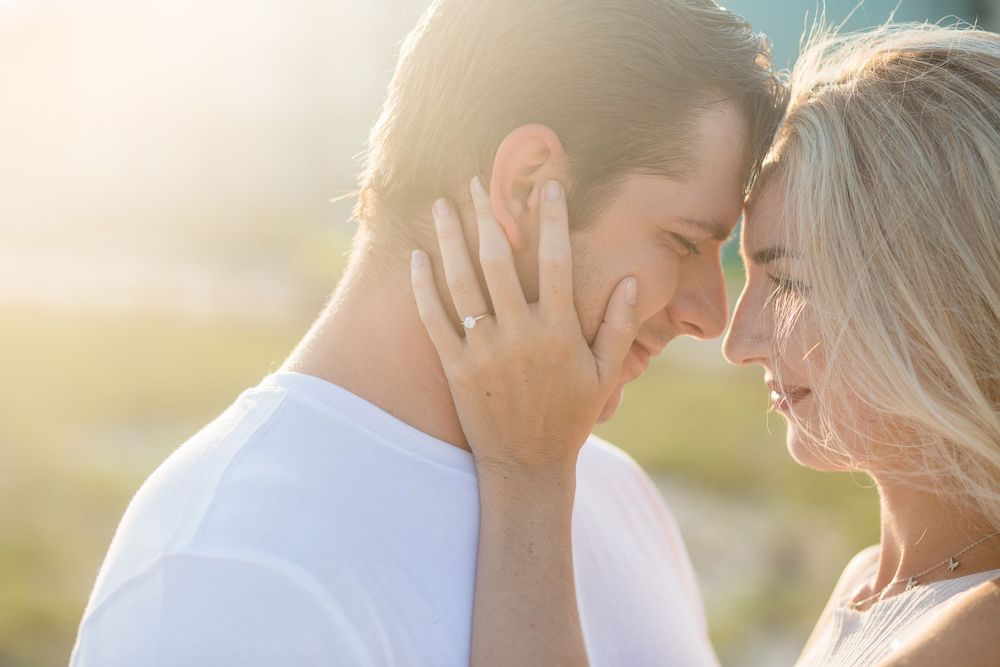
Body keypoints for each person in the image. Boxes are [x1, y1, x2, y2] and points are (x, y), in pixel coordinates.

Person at [68, 0, 787, 664]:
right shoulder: (223, 574)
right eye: (685, 241)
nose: (710, 314)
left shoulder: (618, 494)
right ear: (528, 187)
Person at [411, 23, 1000, 666]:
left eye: (792, 283)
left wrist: (529, 477)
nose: (738, 341)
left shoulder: (980, 630)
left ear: (948, 294)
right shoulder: (874, 585)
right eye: (747, 273)